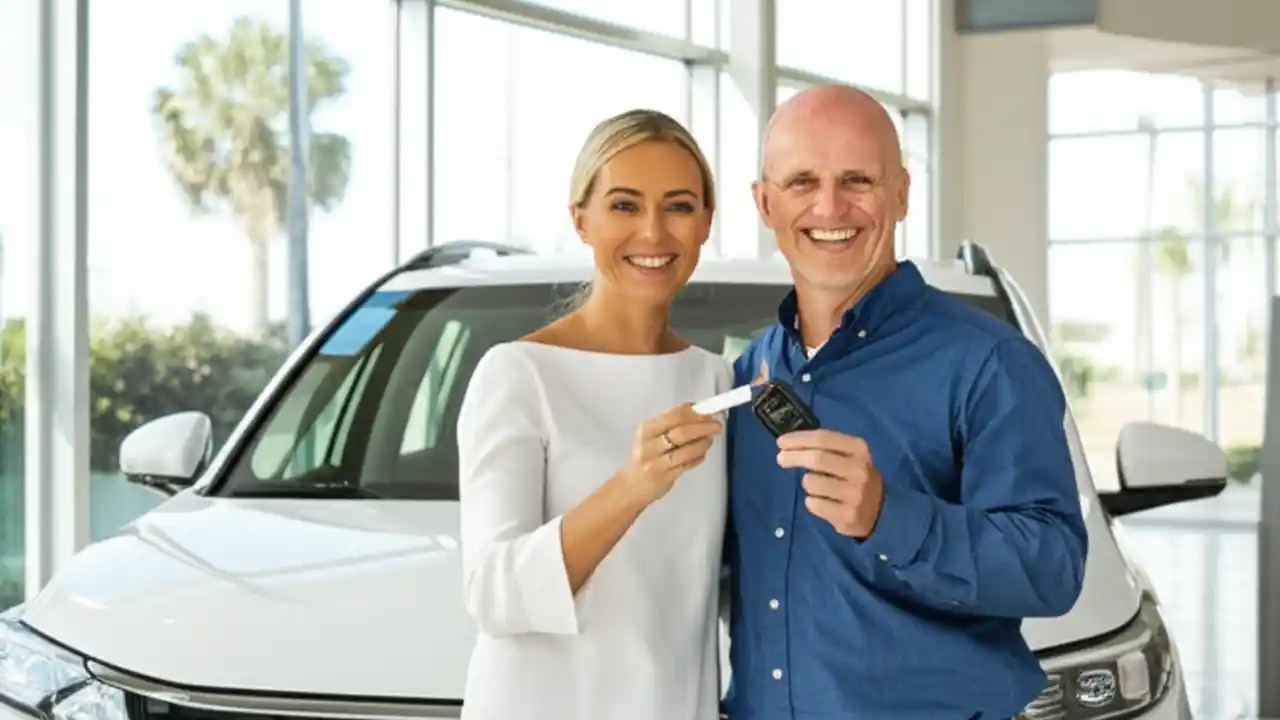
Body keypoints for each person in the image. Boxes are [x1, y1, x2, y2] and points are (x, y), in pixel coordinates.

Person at [720, 84, 1089, 720]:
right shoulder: (747, 376)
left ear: (901, 193)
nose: (829, 206)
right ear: (764, 202)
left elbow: (1052, 569)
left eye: (857, 180)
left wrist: (889, 516)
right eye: (802, 181)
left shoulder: (991, 364)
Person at [455, 108, 732, 719]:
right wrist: (631, 488)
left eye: (679, 206)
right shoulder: (520, 375)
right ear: (581, 219)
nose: (653, 232)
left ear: (706, 222)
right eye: (625, 205)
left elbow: (726, 583)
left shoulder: (715, 381)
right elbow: (493, 592)